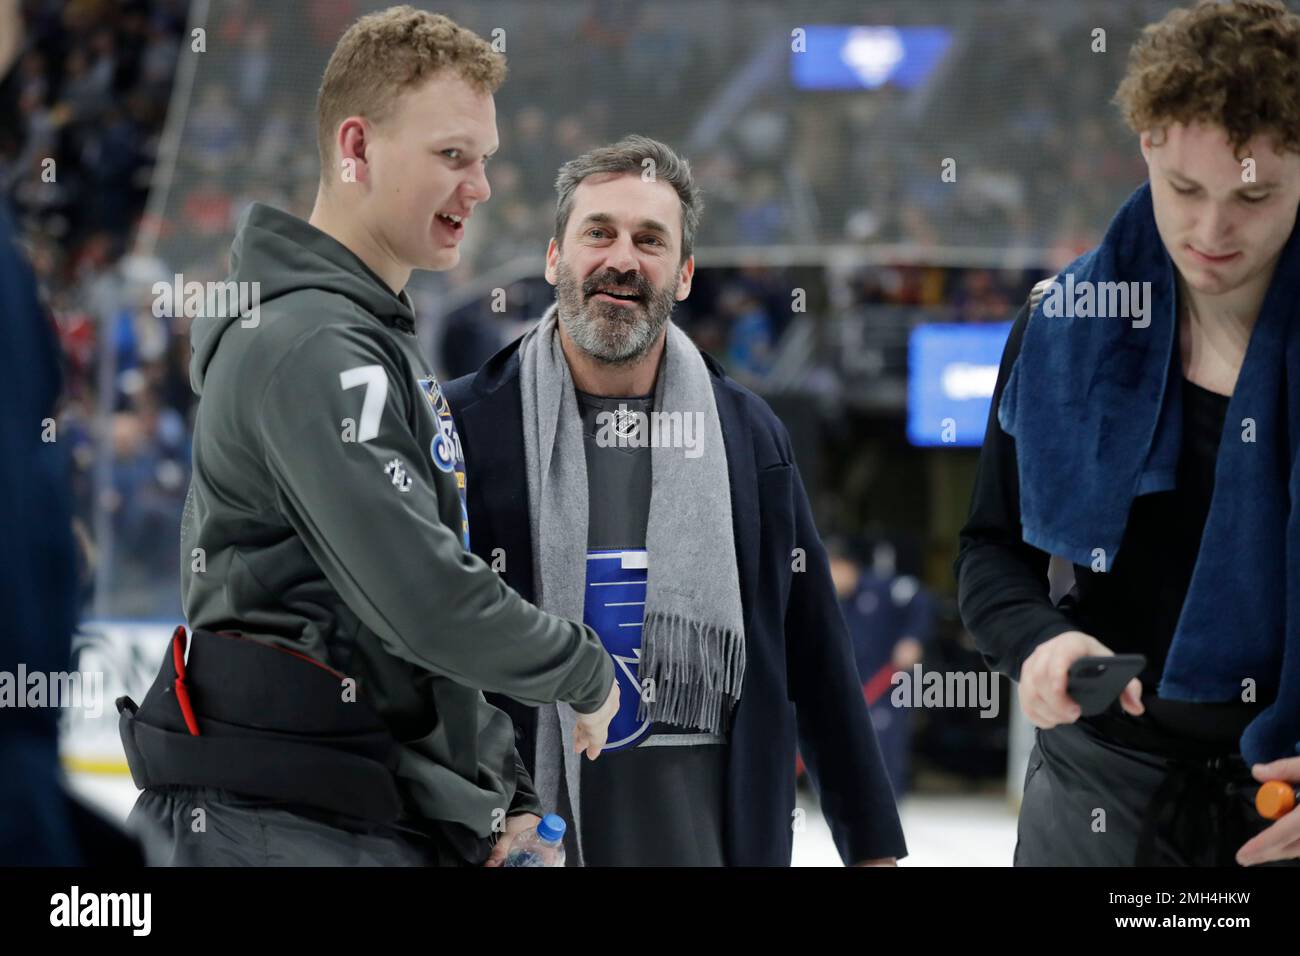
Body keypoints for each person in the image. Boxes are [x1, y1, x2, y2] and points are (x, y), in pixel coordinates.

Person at [119, 6, 617, 868]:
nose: (482, 185)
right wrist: (585, 669)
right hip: (279, 824)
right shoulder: (315, 345)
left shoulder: (358, 337)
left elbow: (387, 631)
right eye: (452, 156)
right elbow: (428, 602)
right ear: (356, 147)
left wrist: (493, 796)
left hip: (328, 810)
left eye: (486, 159)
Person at [446, 135, 906, 866]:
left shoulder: (748, 437)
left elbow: (816, 654)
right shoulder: (465, 426)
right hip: (515, 844)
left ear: (685, 274)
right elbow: (420, 648)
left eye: (650, 240)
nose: (621, 259)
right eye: (598, 232)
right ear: (553, 258)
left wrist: (872, 848)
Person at [956, 0, 1300, 866]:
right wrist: (1042, 639)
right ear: (1148, 145)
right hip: (1100, 792)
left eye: (1253, 196)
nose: (1212, 232)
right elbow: (990, 554)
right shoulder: (1062, 323)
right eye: (1186, 189)